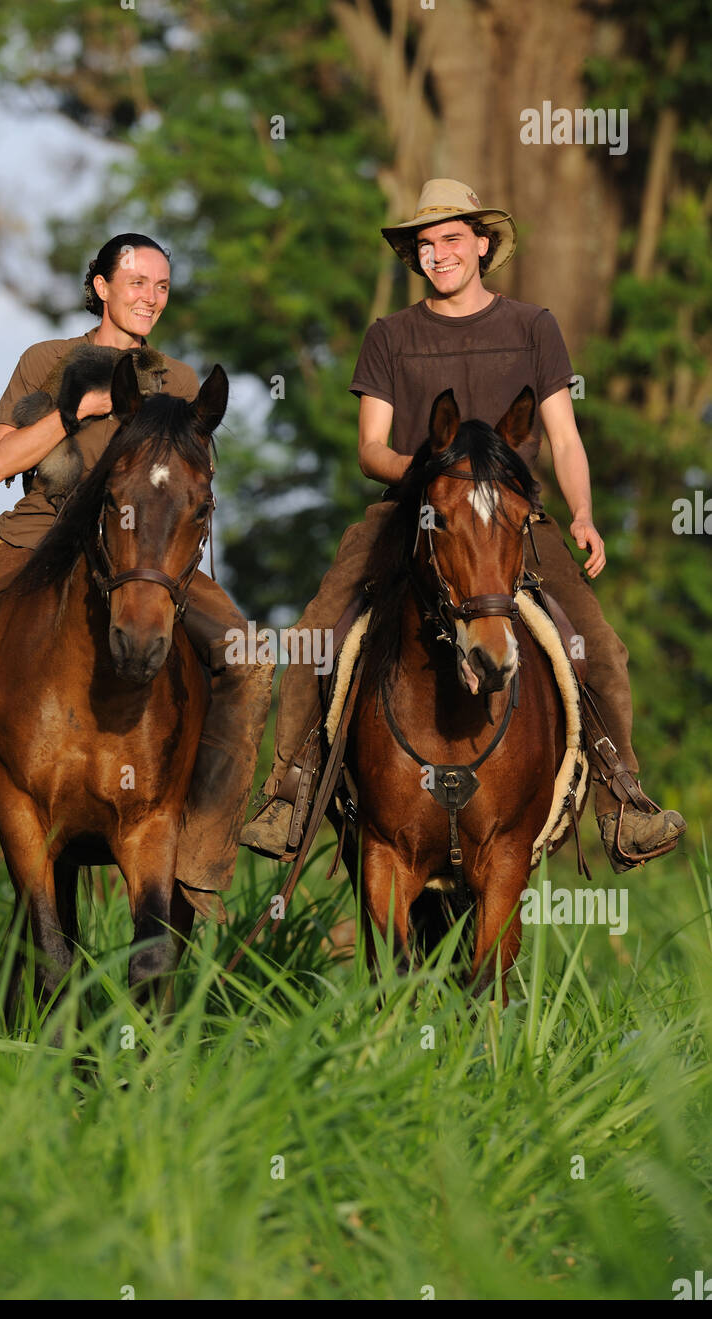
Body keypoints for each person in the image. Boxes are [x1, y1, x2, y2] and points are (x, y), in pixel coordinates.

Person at [241, 179, 685, 871]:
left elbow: (564, 439)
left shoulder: (532, 326)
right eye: (425, 244)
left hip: (515, 518)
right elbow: (369, 449)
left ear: (482, 243)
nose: (438, 253)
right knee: (314, 635)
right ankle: (288, 794)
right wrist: (432, 473)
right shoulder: (390, 335)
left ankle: (623, 801)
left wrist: (585, 513)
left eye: (451, 239)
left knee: (598, 646)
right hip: (415, 512)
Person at [0, 233, 273, 915]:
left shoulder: (177, 380)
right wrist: (75, 411)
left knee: (250, 658)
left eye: (163, 286)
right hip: (41, 539)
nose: (151, 298)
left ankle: (203, 852)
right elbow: (0, 464)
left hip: (144, 549)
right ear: (101, 286)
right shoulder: (48, 361)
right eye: (137, 282)